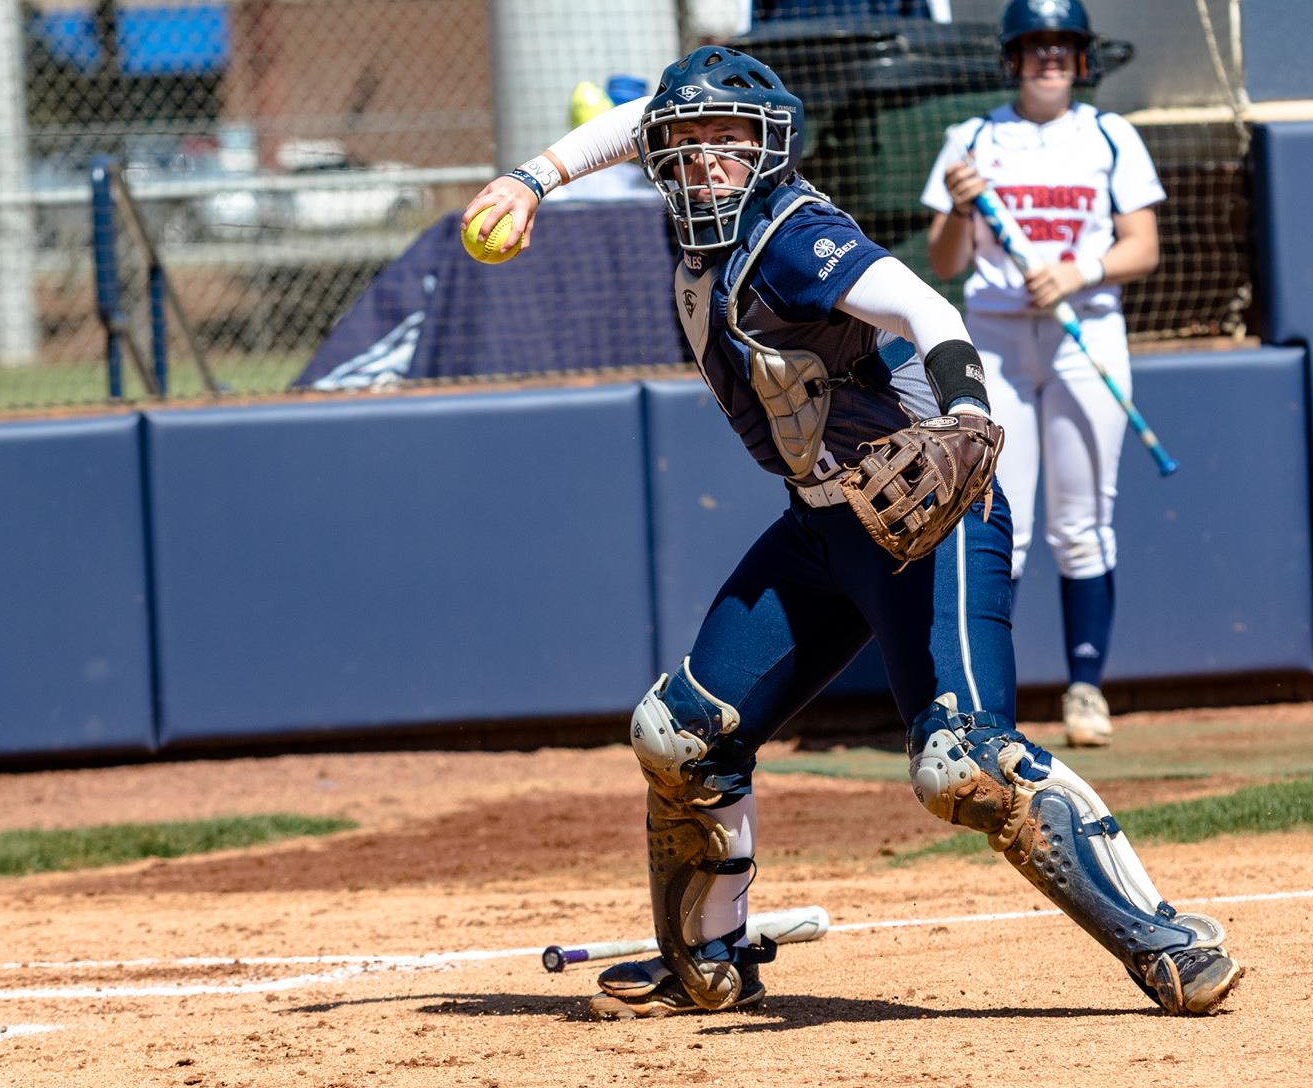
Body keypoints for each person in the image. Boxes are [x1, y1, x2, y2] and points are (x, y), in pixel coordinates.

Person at [462, 44, 1238, 1021]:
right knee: (680, 734)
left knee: (959, 761)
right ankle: (705, 959)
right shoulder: (701, 239)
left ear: (768, 152)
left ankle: (1162, 938)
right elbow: (642, 120)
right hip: (825, 523)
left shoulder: (790, 232)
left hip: (929, 513)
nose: (708, 159)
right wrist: (535, 179)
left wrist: (962, 412)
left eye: (731, 144)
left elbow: (922, 304)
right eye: (689, 143)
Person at [921, 0, 1163, 748]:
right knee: (1001, 524)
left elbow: (1142, 246)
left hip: (1083, 335)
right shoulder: (972, 139)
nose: (1049, 58)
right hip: (993, 340)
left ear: (1081, 57)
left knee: (1082, 526)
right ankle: (988, 698)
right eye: (1035, 45)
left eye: (1062, 45)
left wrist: (1077, 271)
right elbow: (943, 261)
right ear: (1012, 56)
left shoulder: (1107, 134)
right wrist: (961, 210)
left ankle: (1085, 691)